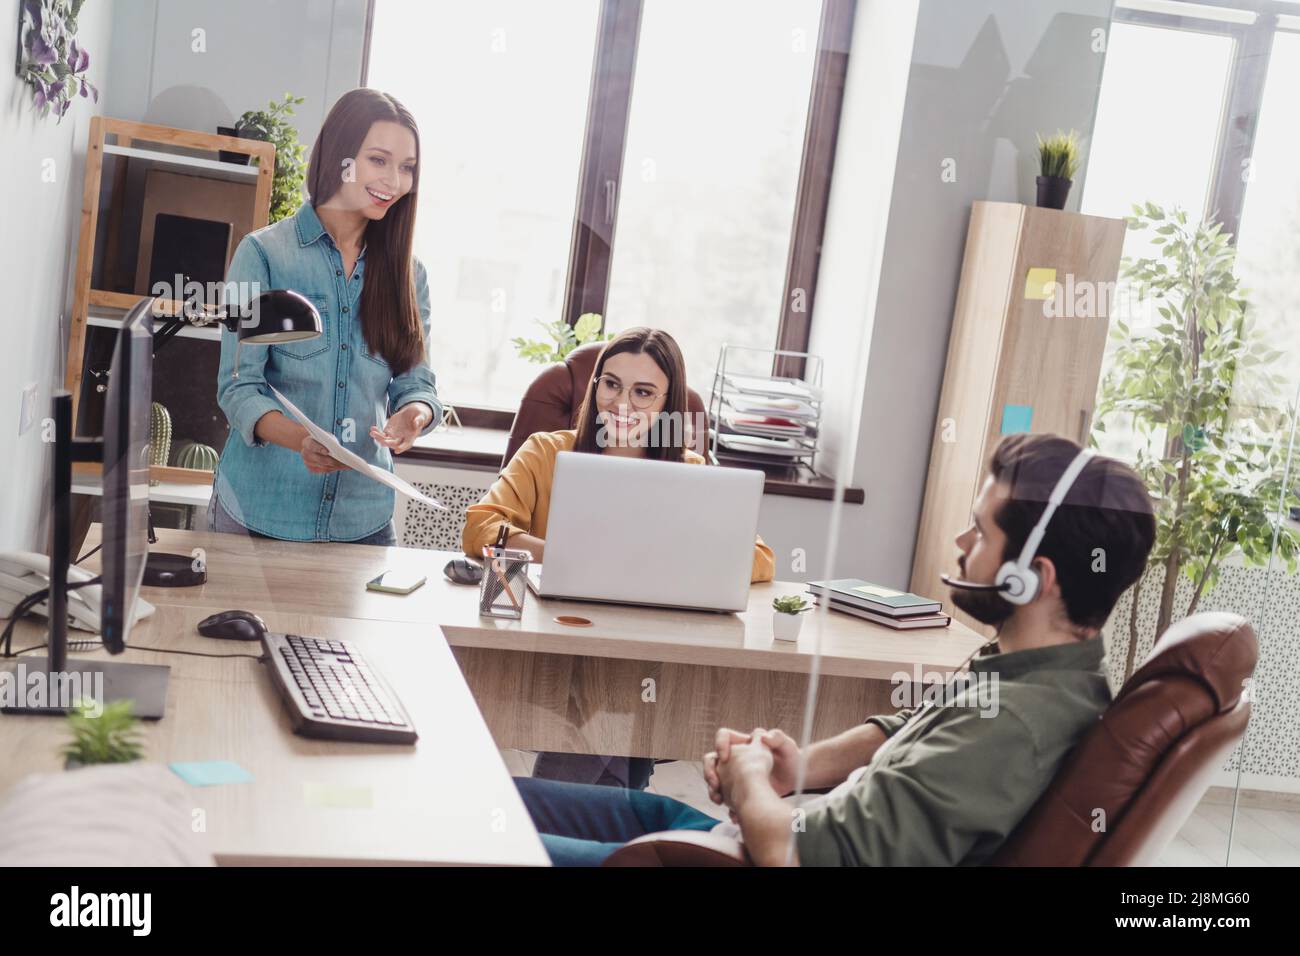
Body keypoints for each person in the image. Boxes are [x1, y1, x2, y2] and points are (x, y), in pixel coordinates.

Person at [512, 432, 1157, 865]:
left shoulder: (1016, 725)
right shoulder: (1036, 675)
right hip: (747, 830)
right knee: (508, 794)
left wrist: (755, 780)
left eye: (981, 531)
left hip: (754, 853)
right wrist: (796, 768)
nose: (961, 541)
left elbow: (793, 854)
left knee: (478, 835)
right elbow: (906, 728)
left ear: (1032, 578)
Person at [463, 327, 776, 790]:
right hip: (558, 640)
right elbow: (480, 527)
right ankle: (589, 819)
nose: (621, 404)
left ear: (668, 405)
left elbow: (761, 557)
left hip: (646, 649)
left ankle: (571, 820)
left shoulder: (690, 472)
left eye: (644, 392)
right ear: (595, 387)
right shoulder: (548, 451)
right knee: (611, 705)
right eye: (611, 384)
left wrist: (671, 559)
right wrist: (560, 553)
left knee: (615, 695)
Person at [210, 88, 441, 545]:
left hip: (365, 521)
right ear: (341, 158)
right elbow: (240, 388)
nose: (393, 181)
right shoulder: (264, 255)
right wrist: (301, 441)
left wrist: (412, 416)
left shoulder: (408, 275)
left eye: (407, 167)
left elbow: (416, 383)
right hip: (261, 512)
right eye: (379, 160)